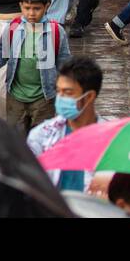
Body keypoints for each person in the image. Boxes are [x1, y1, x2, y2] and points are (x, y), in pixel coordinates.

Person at [0, 0, 70, 135]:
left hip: (44, 98)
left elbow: (64, 63)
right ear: (21, 6)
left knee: (41, 138)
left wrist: (66, 90)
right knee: (16, 140)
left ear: (46, 7)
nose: (31, 13)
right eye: (27, 8)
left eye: (36, 8)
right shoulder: (13, 28)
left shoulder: (55, 31)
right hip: (15, 96)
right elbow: (2, 54)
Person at [27, 56, 107, 192]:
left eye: (68, 92)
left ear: (89, 96)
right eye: (58, 91)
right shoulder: (42, 135)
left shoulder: (109, 138)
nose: (60, 98)